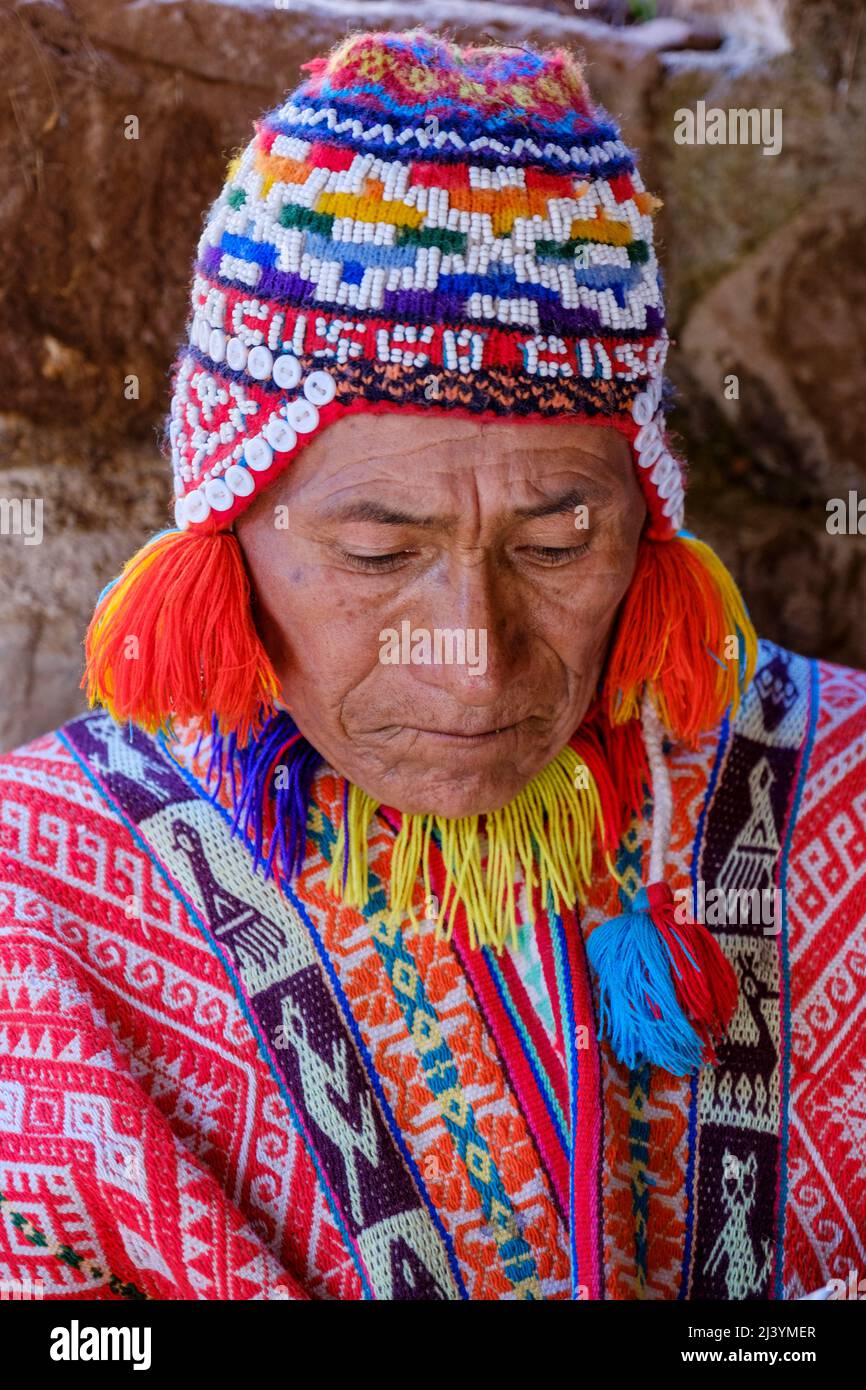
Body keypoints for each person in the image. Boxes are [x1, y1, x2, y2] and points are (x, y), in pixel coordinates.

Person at [1, 27, 863, 1302]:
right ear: (222, 528)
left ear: (649, 520)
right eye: (373, 550)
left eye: (558, 539)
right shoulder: (38, 916)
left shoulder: (842, 787)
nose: (473, 666)